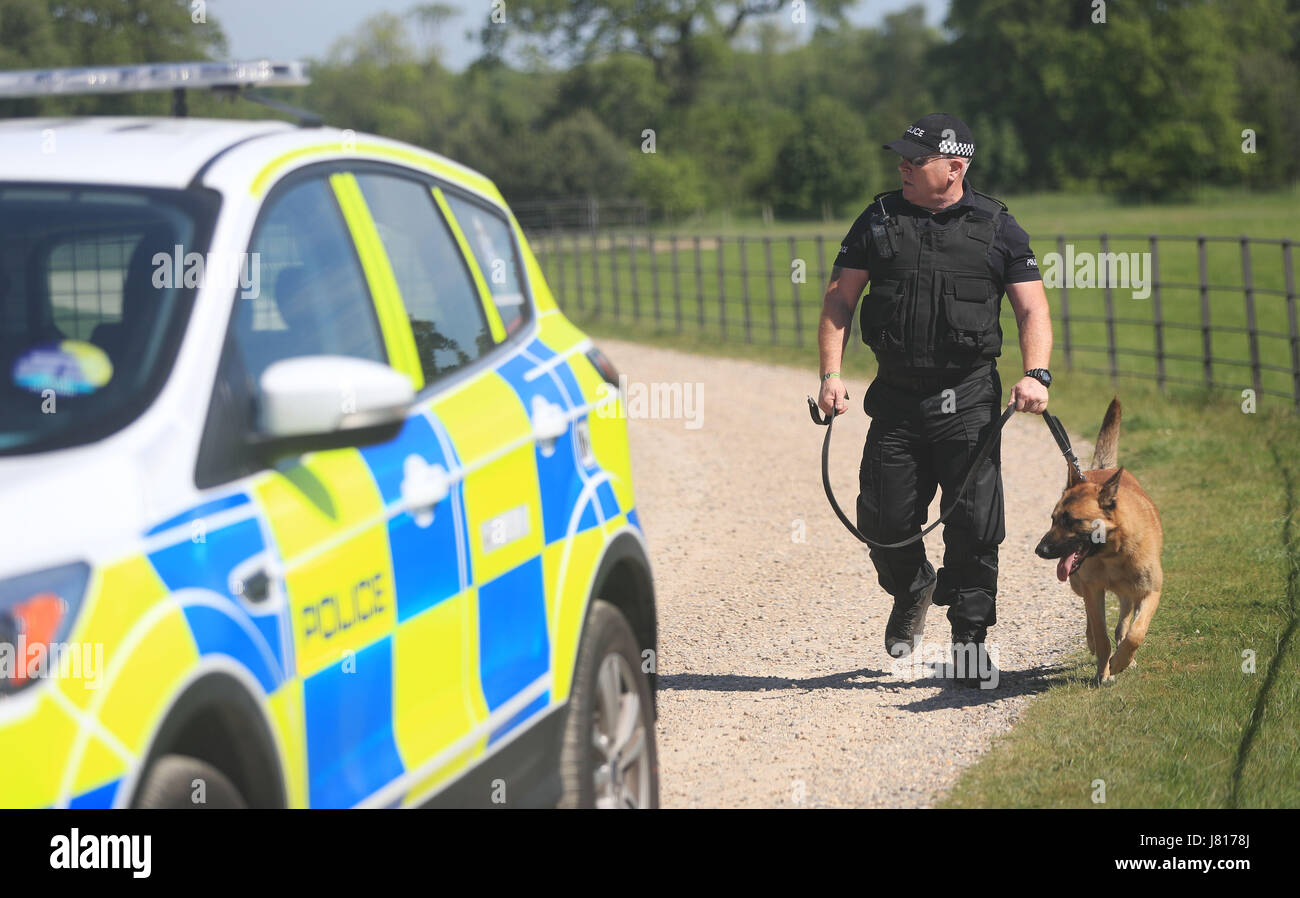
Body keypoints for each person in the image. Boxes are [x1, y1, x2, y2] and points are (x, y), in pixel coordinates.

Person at [815, 113, 1052, 687]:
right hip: (895, 397)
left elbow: (1031, 308)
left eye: (915, 159)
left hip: (968, 397)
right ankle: (914, 583)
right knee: (882, 521)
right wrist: (831, 374)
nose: (902, 165)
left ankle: (969, 646)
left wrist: (1036, 374)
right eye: (902, 156)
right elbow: (839, 300)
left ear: (955, 167)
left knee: (973, 526)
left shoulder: (998, 227)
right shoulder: (878, 219)